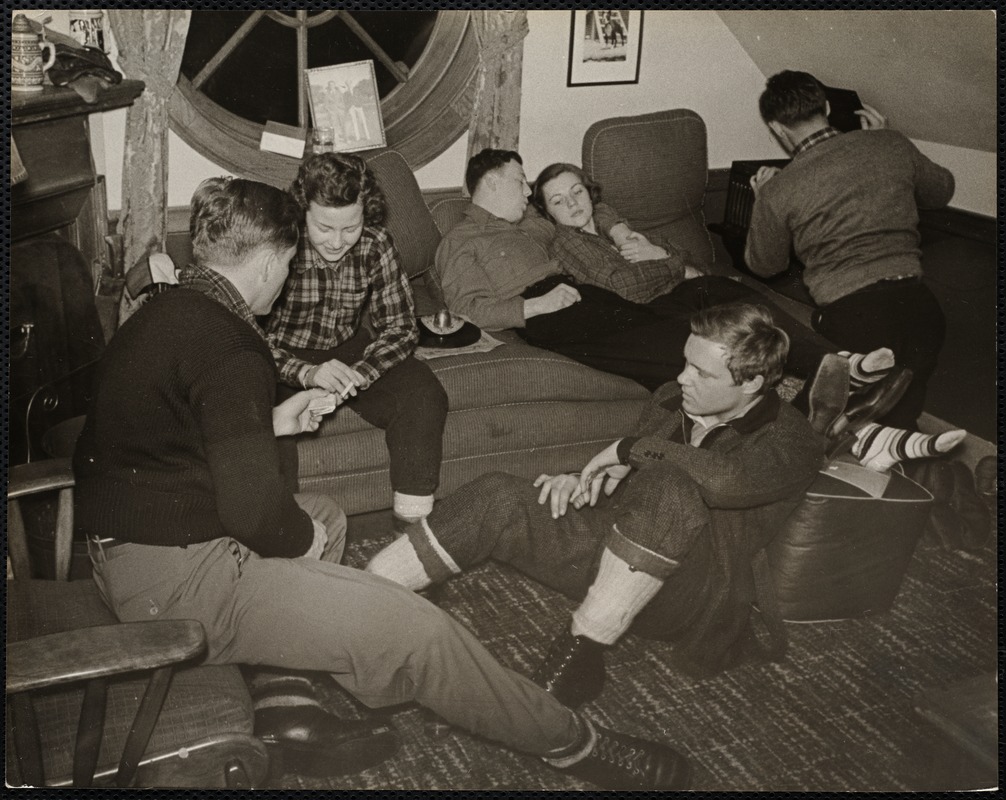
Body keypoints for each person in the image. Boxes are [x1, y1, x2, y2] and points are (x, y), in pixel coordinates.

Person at [72, 176, 692, 790]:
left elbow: (161, 437)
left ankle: (283, 699)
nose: (286, 279)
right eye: (288, 264)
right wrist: (299, 550)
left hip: (125, 547)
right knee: (413, 626)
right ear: (264, 261)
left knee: (328, 514)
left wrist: (273, 423)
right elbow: (256, 514)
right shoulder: (232, 346)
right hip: (175, 584)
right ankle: (569, 743)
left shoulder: (164, 310)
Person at [366, 303, 826, 707]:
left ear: (752, 384)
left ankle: (578, 658)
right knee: (499, 494)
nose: (683, 377)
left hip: (695, 596)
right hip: (624, 563)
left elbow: (723, 483)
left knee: (671, 480)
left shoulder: (789, 437)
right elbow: (630, 493)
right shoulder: (671, 400)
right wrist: (578, 485)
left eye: (702, 373)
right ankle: (361, 598)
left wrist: (632, 449)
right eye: (686, 362)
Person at [531, 160, 904, 409]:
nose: (573, 204)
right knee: (719, 294)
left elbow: (682, 252)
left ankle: (838, 363)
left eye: (577, 191)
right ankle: (833, 370)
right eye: (559, 201)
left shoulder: (610, 222)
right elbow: (624, 286)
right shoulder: (567, 241)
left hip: (672, 295)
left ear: (590, 191)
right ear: (548, 212)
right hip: (645, 313)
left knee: (739, 300)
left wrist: (664, 255)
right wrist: (671, 263)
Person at [745, 70, 956, 429]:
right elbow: (942, 191)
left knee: (842, 428)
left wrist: (761, 200)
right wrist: (886, 141)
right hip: (922, 311)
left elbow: (765, 265)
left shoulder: (781, 188)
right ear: (825, 107)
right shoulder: (890, 144)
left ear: (778, 129)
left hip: (855, 320)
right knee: (899, 421)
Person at [266, 152, 448, 531]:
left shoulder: (375, 243)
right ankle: (284, 533)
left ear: (366, 214)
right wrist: (308, 373)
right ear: (303, 212)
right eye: (324, 228)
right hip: (280, 356)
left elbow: (400, 327)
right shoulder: (278, 242)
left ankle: (414, 526)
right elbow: (246, 337)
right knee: (269, 427)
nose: (337, 242)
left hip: (348, 350)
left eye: (349, 228)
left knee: (423, 392)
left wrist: (359, 373)